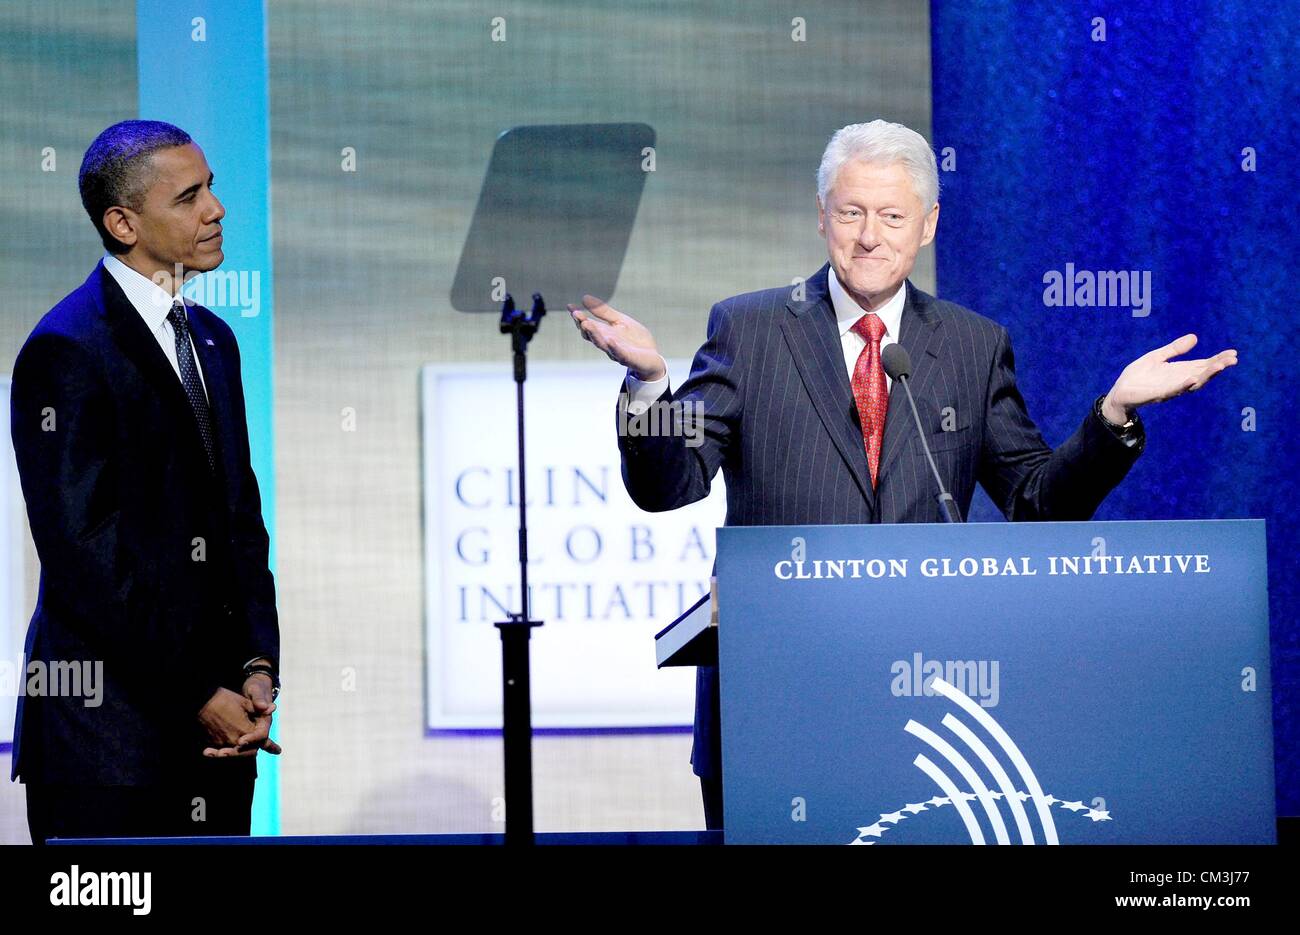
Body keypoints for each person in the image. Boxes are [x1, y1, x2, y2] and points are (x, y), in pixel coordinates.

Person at [569, 119, 1237, 830]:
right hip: (773, 703)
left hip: (926, 710)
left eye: (892, 215)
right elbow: (670, 483)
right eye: (851, 212)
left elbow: (1038, 505)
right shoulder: (750, 328)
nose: (869, 236)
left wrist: (1111, 416)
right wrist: (648, 386)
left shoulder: (974, 346)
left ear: (928, 225)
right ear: (821, 215)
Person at [10, 120, 282, 843]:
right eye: (190, 196)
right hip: (111, 748)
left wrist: (257, 665)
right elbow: (83, 555)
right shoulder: (66, 349)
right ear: (123, 222)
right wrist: (199, 692)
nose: (216, 209)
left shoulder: (216, 340)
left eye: (212, 188)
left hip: (220, 741)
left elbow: (239, 521)